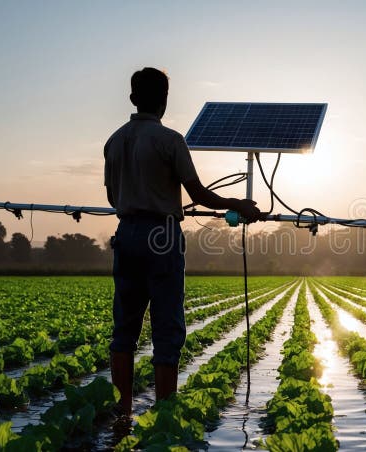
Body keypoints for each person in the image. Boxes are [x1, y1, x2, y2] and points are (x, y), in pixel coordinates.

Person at [104, 67, 262, 417]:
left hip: (126, 232)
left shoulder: (113, 141)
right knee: (167, 328)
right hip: (161, 236)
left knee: (124, 330)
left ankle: (122, 413)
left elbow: (114, 197)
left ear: (132, 99)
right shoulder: (170, 140)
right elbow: (199, 194)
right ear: (164, 100)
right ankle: (164, 415)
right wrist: (237, 204)